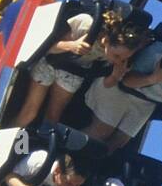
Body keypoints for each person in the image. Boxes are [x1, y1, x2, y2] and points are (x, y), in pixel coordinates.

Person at [14, 10, 152, 129]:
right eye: (116, 55)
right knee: (30, 113)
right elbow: (44, 46)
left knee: (53, 118)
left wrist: (115, 76)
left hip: (73, 73)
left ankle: (37, 147)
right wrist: (71, 46)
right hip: (51, 62)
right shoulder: (87, 25)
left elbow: (106, 83)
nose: (117, 60)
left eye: (122, 58)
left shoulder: (114, 60)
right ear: (108, 40)